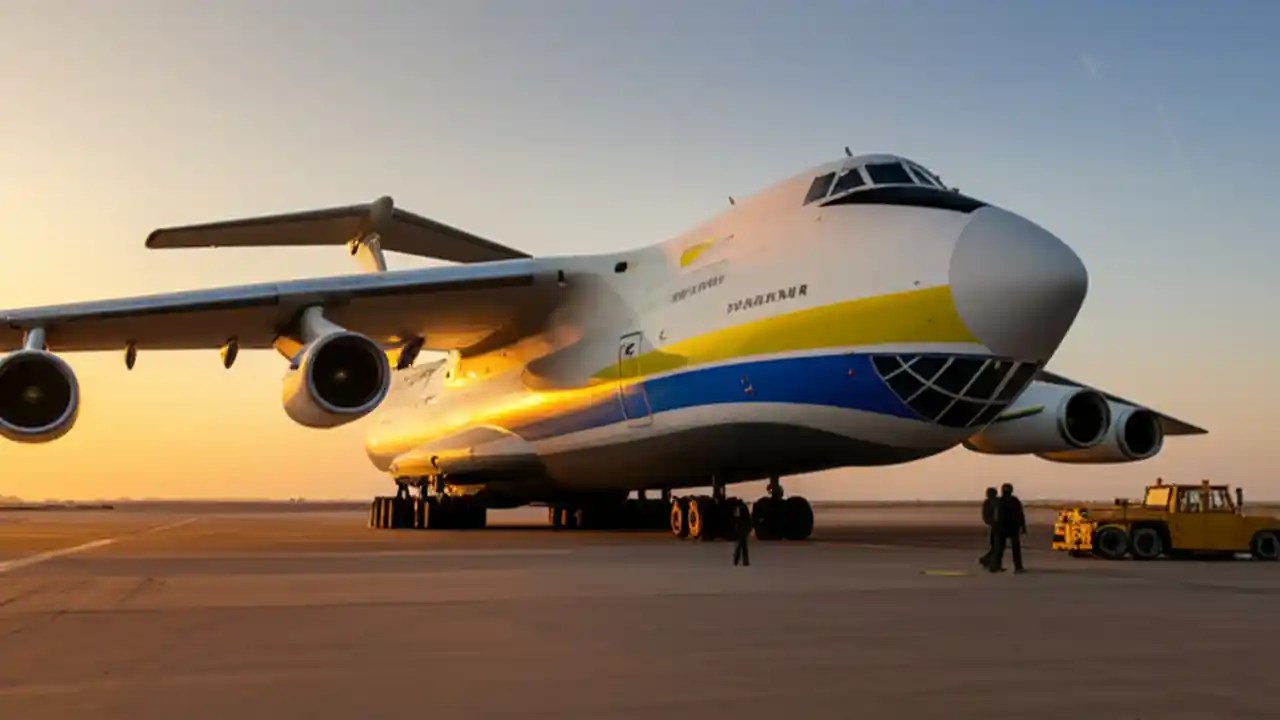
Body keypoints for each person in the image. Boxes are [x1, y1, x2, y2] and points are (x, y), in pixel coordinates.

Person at [989, 483, 1027, 574]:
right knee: (1014, 548)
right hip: (1011, 528)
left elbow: (995, 516)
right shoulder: (1014, 501)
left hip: (1003, 528)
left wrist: (994, 526)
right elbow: (1020, 515)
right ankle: (1017, 567)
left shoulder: (1000, 501)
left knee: (1000, 548)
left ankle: (996, 566)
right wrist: (1022, 526)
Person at [979, 487, 998, 569]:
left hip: (996, 526)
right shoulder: (990, 502)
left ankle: (988, 561)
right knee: (996, 546)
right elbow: (986, 516)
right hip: (994, 526)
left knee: (996, 546)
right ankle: (987, 560)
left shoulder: (993, 502)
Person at [732, 501, 751, 566]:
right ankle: (744, 561)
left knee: (740, 546)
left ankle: (737, 560)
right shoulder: (743, 510)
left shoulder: (737, 510)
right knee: (743, 547)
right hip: (743, 530)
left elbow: (736, 520)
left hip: (741, 530)